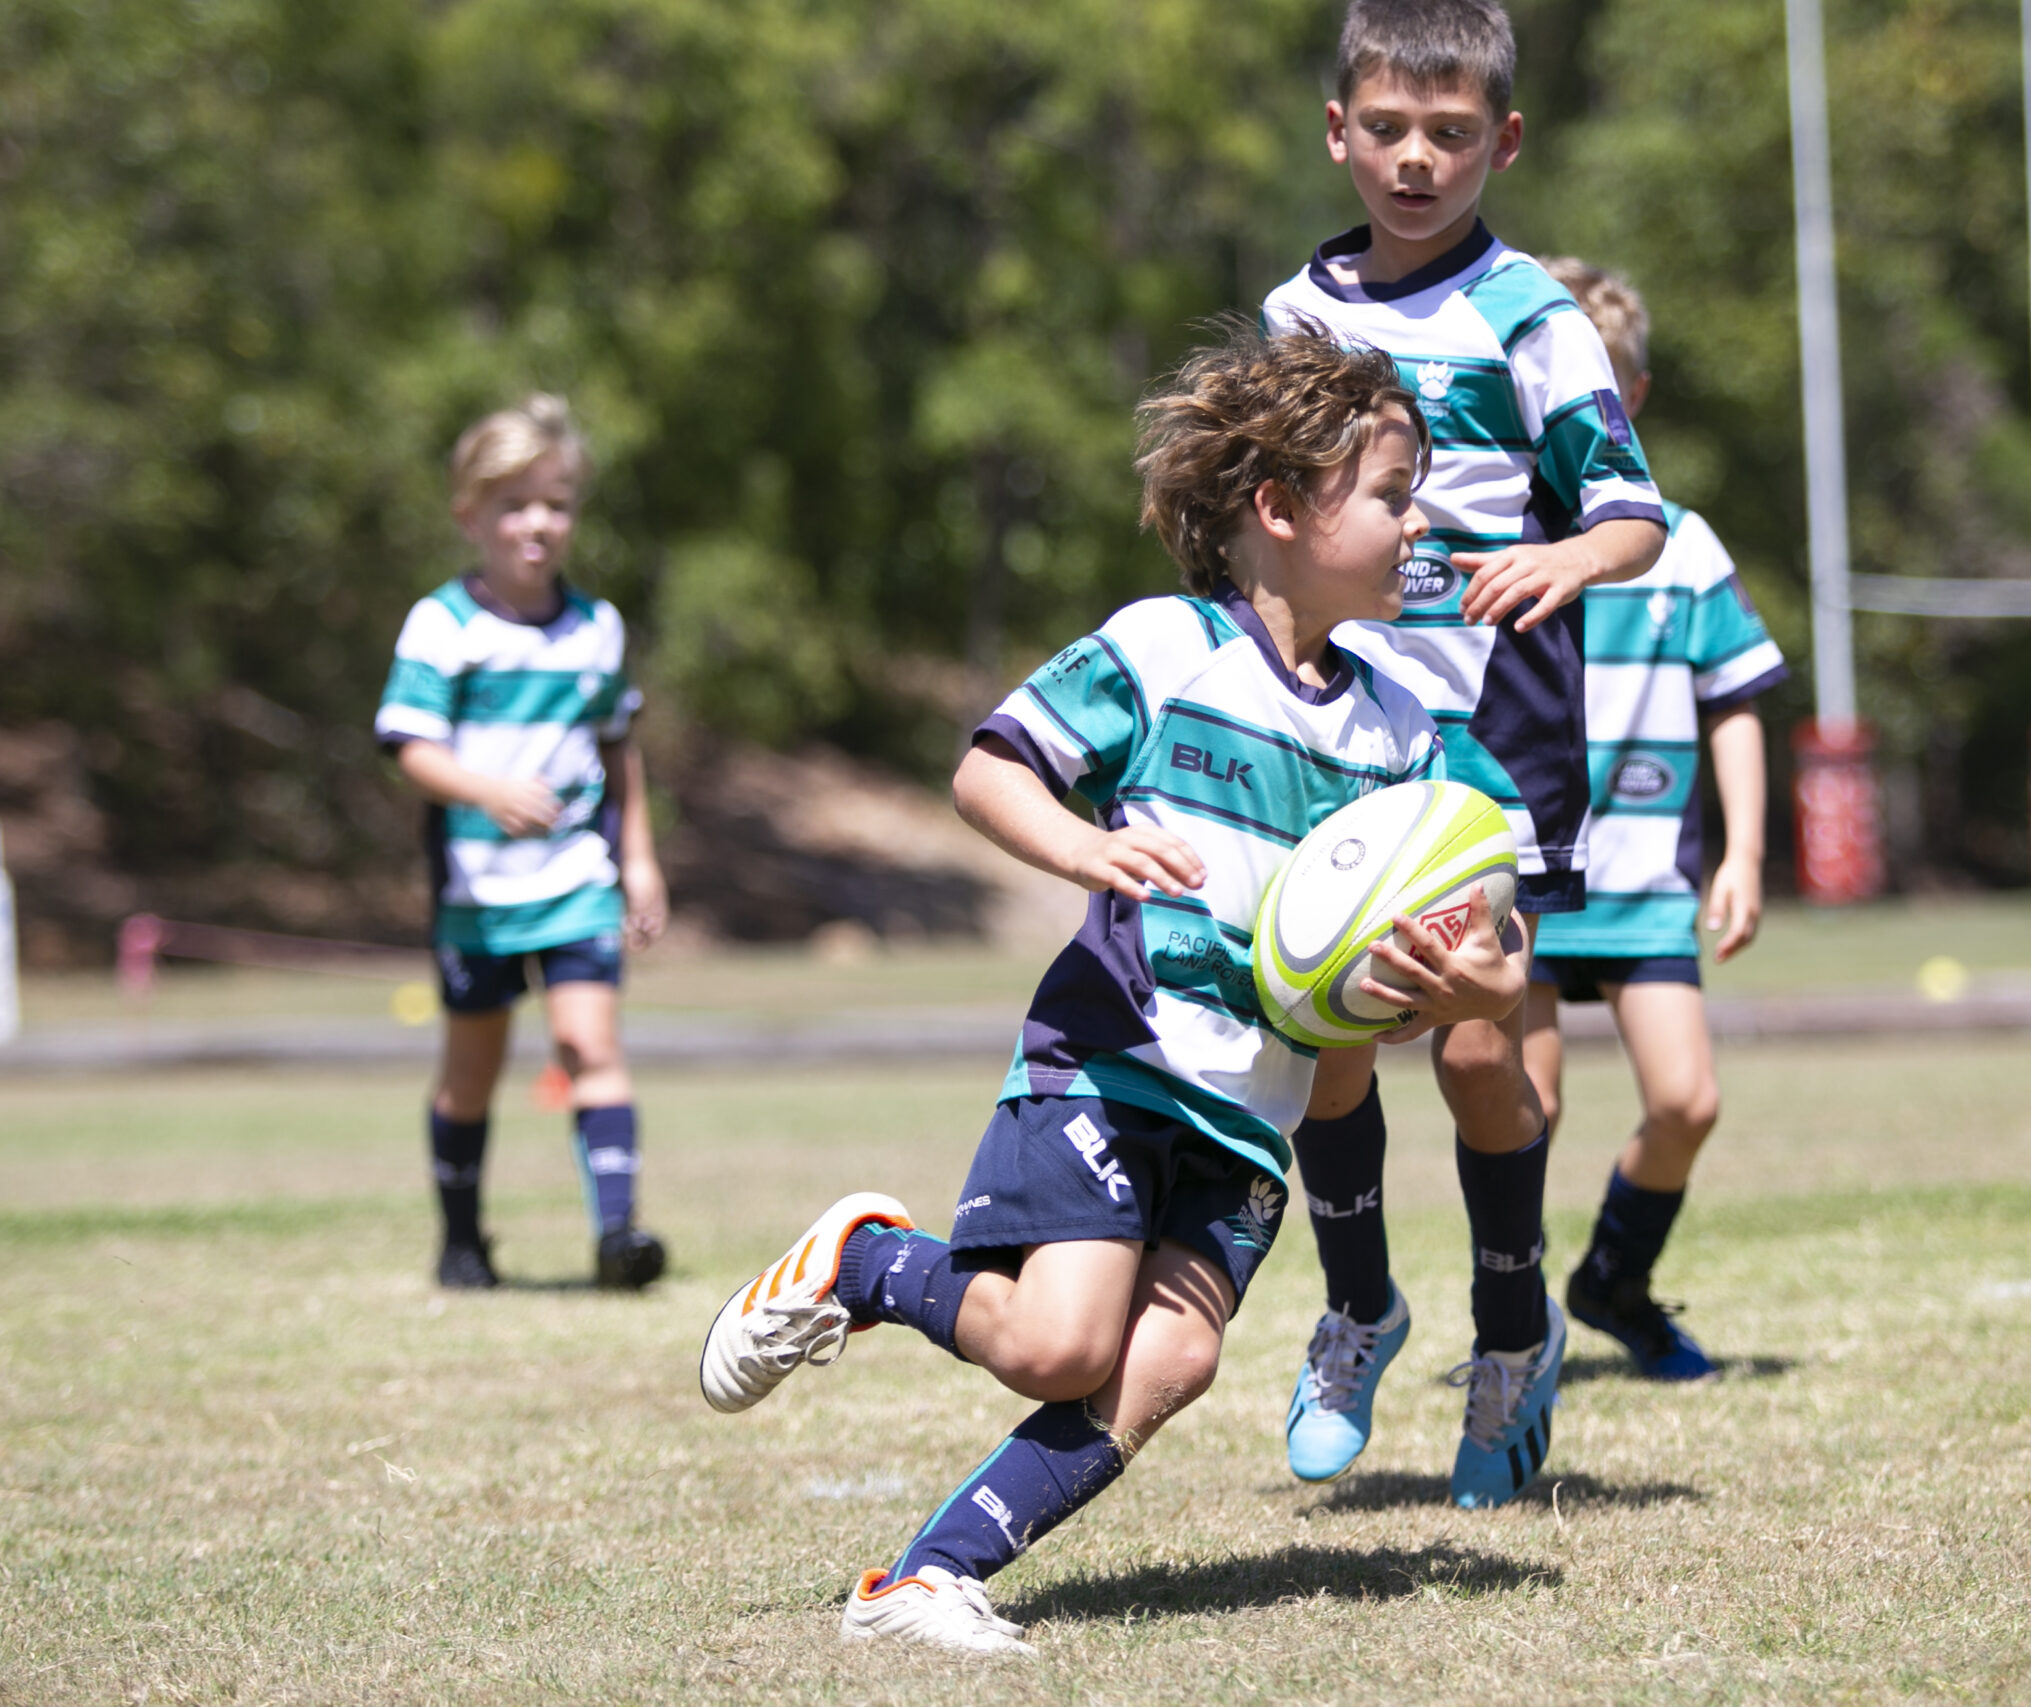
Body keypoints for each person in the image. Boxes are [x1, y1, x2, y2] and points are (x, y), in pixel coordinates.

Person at [697, 326, 1525, 1656]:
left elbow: (1457, 930)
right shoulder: (1163, 648)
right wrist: (1085, 845)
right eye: (1388, 489)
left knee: (1170, 1362)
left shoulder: (1403, 733)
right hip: (1116, 1055)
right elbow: (991, 768)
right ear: (1278, 509)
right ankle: (863, 1260)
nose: (1414, 515)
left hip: (1252, 1112)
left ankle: (922, 1579)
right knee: (1056, 1345)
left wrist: (1470, 980)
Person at [1263, 0, 1667, 1507]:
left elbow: (1634, 512)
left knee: (1481, 1041)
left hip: (1493, 735)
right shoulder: (1294, 318)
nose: (1414, 158)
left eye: (1448, 133)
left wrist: (1571, 562)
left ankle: (1513, 1329)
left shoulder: (1535, 319)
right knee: (1327, 1039)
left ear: (1502, 140)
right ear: (1339, 131)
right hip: (1330, 725)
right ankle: (1362, 1302)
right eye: (1386, 127)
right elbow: (1265, 521)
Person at [1516, 258, 1785, 1380]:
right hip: (1518, 880)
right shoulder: (1490, 541)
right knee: (1521, 1111)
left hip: (1642, 886)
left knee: (1686, 1100)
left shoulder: (1682, 545)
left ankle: (1613, 1282)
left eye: (1602, 382)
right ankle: (1512, 1320)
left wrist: (1745, 854)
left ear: (1634, 396)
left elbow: (1732, 706)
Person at [374, 395, 670, 1292]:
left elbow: (620, 751)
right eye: (514, 504)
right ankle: (463, 1242)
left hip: (575, 875)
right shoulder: (443, 625)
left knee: (590, 1046)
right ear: (471, 515)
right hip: (476, 887)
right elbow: (408, 745)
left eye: (556, 502)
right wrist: (487, 790)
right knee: (473, 1070)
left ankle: (618, 1239)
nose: (537, 523)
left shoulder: (596, 629)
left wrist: (640, 859)